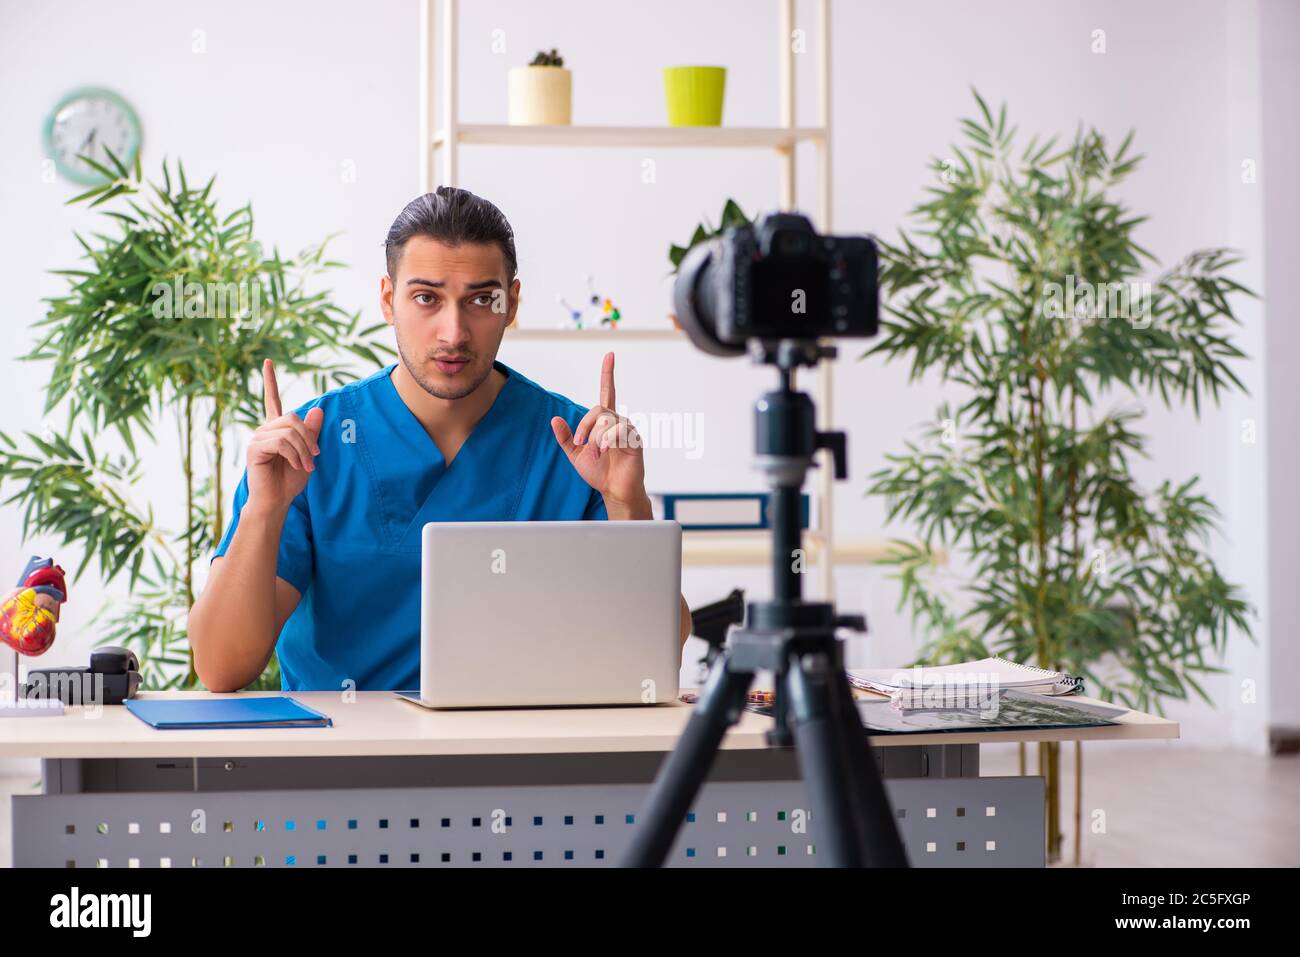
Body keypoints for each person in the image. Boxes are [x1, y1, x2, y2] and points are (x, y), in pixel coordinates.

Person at [188, 187, 690, 692]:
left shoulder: (580, 449)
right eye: (426, 298)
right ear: (388, 300)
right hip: (342, 760)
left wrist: (627, 506)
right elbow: (221, 667)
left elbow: (655, 656)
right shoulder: (308, 450)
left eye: (480, 300)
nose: (454, 333)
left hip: (525, 756)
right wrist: (263, 509)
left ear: (511, 303)